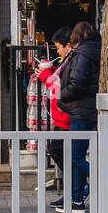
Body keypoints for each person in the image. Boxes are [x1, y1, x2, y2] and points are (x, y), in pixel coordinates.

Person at [55, 21, 100, 213]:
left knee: (75, 157)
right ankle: (76, 200)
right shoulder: (97, 51)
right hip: (87, 110)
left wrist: (61, 94)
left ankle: (107, 183)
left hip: (81, 110)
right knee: (77, 156)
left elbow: (78, 83)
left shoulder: (82, 54)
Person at [35, 27, 72, 194]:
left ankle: (80, 184)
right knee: (63, 152)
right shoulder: (66, 62)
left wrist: (45, 76)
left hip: (66, 116)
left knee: (59, 151)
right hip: (62, 116)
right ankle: (74, 188)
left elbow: (59, 89)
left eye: (58, 47)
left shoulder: (71, 62)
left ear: (68, 45)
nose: (58, 51)